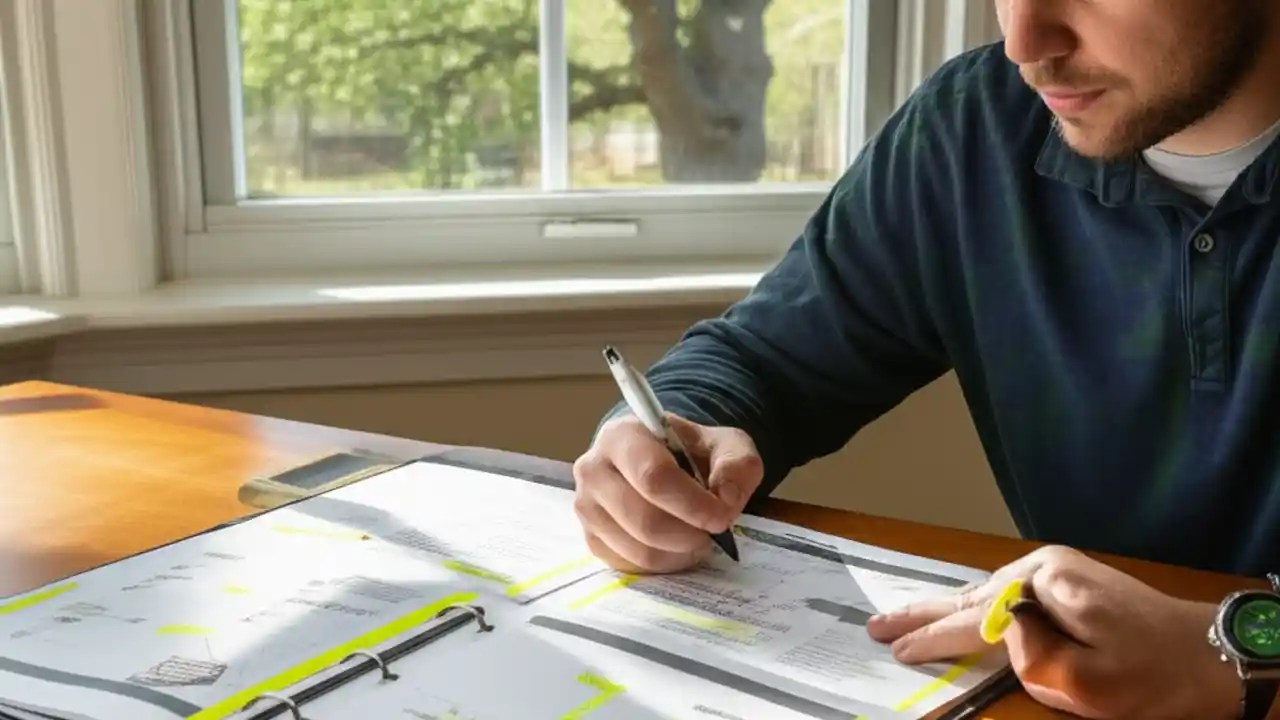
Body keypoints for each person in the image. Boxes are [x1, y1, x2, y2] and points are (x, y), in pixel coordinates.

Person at [571, 0, 1280, 718]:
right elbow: (762, 360)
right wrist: (663, 446)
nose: (1023, 43)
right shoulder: (979, 125)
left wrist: (1229, 653)